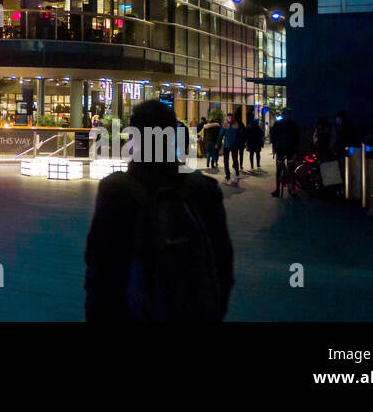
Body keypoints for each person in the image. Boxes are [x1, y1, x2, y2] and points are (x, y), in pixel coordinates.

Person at [83, 99, 233, 322]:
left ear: (134, 138)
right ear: (172, 137)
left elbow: (100, 276)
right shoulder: (203, 189)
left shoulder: (115, 192)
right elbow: (222, 267)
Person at [270, 109, 300, 197]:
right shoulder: (293, 124)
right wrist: (296, 150)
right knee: (291, 169)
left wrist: (274, 148)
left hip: (281, 149)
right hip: (290, 149)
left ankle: (278, 190)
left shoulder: (278, 124)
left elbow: (273, 137)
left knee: (279, 170)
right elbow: (297, 138)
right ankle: (292, 188)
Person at [218, 115, 241, 183]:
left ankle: (237, 171)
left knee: (235, 159)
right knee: (225, 161)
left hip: (234, 146)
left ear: (233, 118)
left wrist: (238, 143)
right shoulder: (225, 125)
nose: (230, 119)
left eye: (231, 118)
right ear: (227, 118)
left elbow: (239, 135)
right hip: (226, 145)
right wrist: (217, 143)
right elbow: (220, 135)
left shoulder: (235, 125)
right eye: (228, 118)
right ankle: (227, 174)